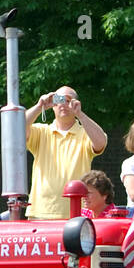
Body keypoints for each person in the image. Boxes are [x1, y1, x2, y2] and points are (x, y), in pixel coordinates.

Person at [24, 85, 107, 219]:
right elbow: (16, 126)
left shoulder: (85, 134)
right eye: (59, 100)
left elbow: (101, 142)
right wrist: (40, 106)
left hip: (77, 213)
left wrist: (80, 114)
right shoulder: (41, 132)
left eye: (68, 100)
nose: (63, 104)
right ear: (53, 105)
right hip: (40, 213)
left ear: (76, 104)